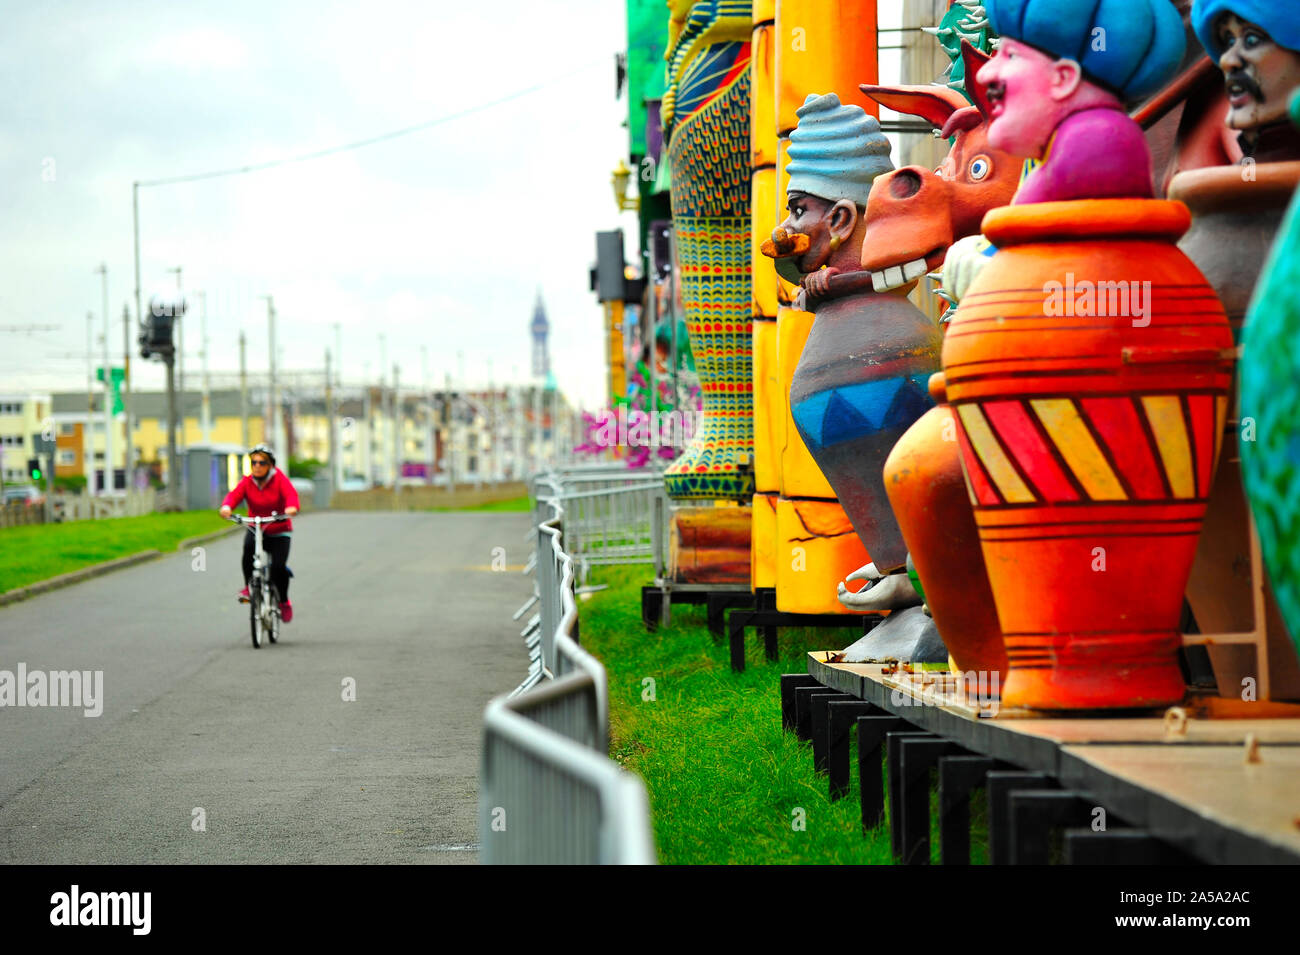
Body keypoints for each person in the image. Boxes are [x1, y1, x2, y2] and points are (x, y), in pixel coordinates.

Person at [218, 444, 300, 623]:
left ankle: (284, 601)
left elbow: (291, 495)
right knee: (248, 550)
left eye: (261, 462)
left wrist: (291, 507)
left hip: (279, 530)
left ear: (270, 465)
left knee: (278, 568)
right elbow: (234, 495)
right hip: (256, 527)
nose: (257, 466)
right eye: (253, 462)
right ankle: (249, 587)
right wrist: (227, 507)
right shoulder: (248, 481)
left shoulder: (279, 479)